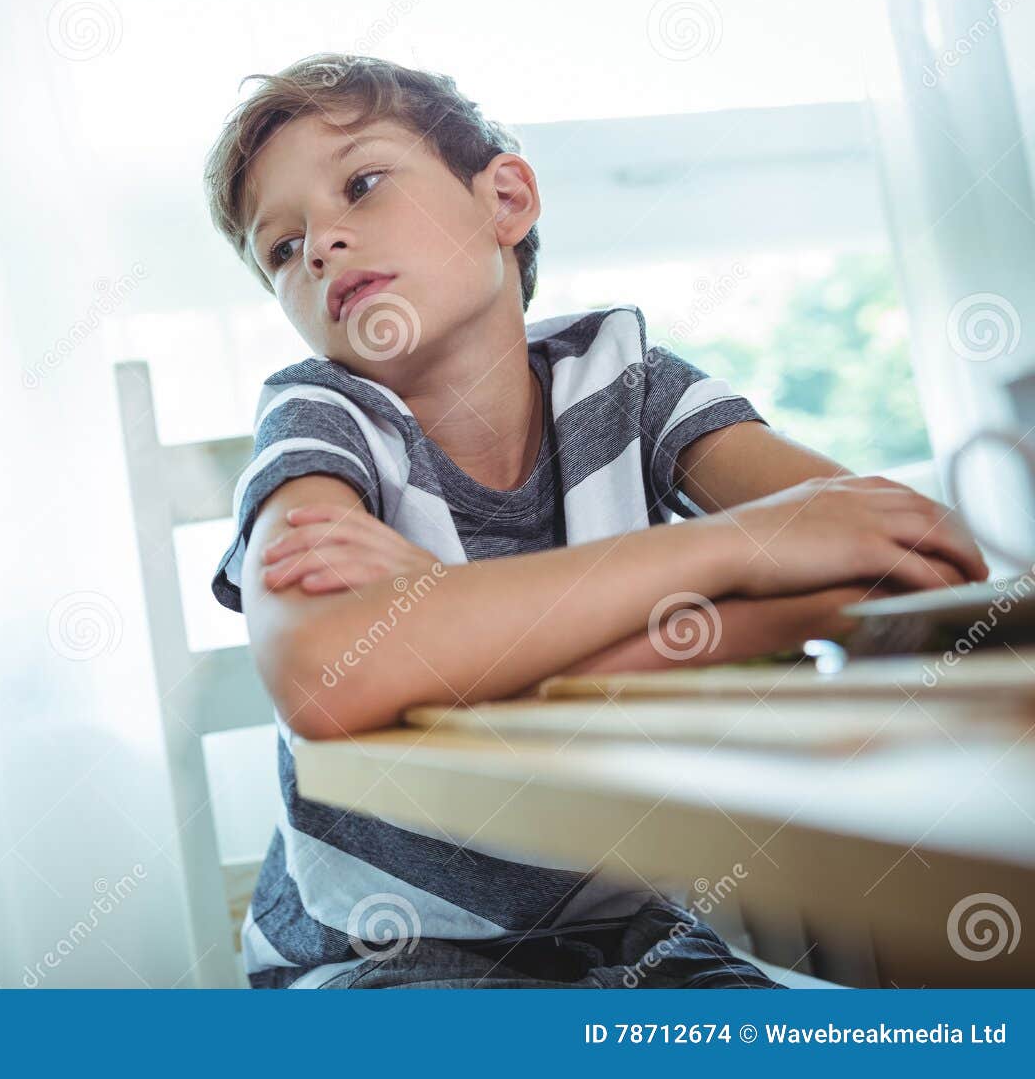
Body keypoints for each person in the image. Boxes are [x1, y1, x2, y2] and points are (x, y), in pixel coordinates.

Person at [200, 53, 987, 988]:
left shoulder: (629, 379)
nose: (320, 245)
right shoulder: (319, 418)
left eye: (361, 185)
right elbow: (329, 673)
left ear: (506, 199)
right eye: (281, 249)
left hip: (644, 938)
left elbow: (917, 557)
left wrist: (447, 620)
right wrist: (741, 554)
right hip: (377, 961)